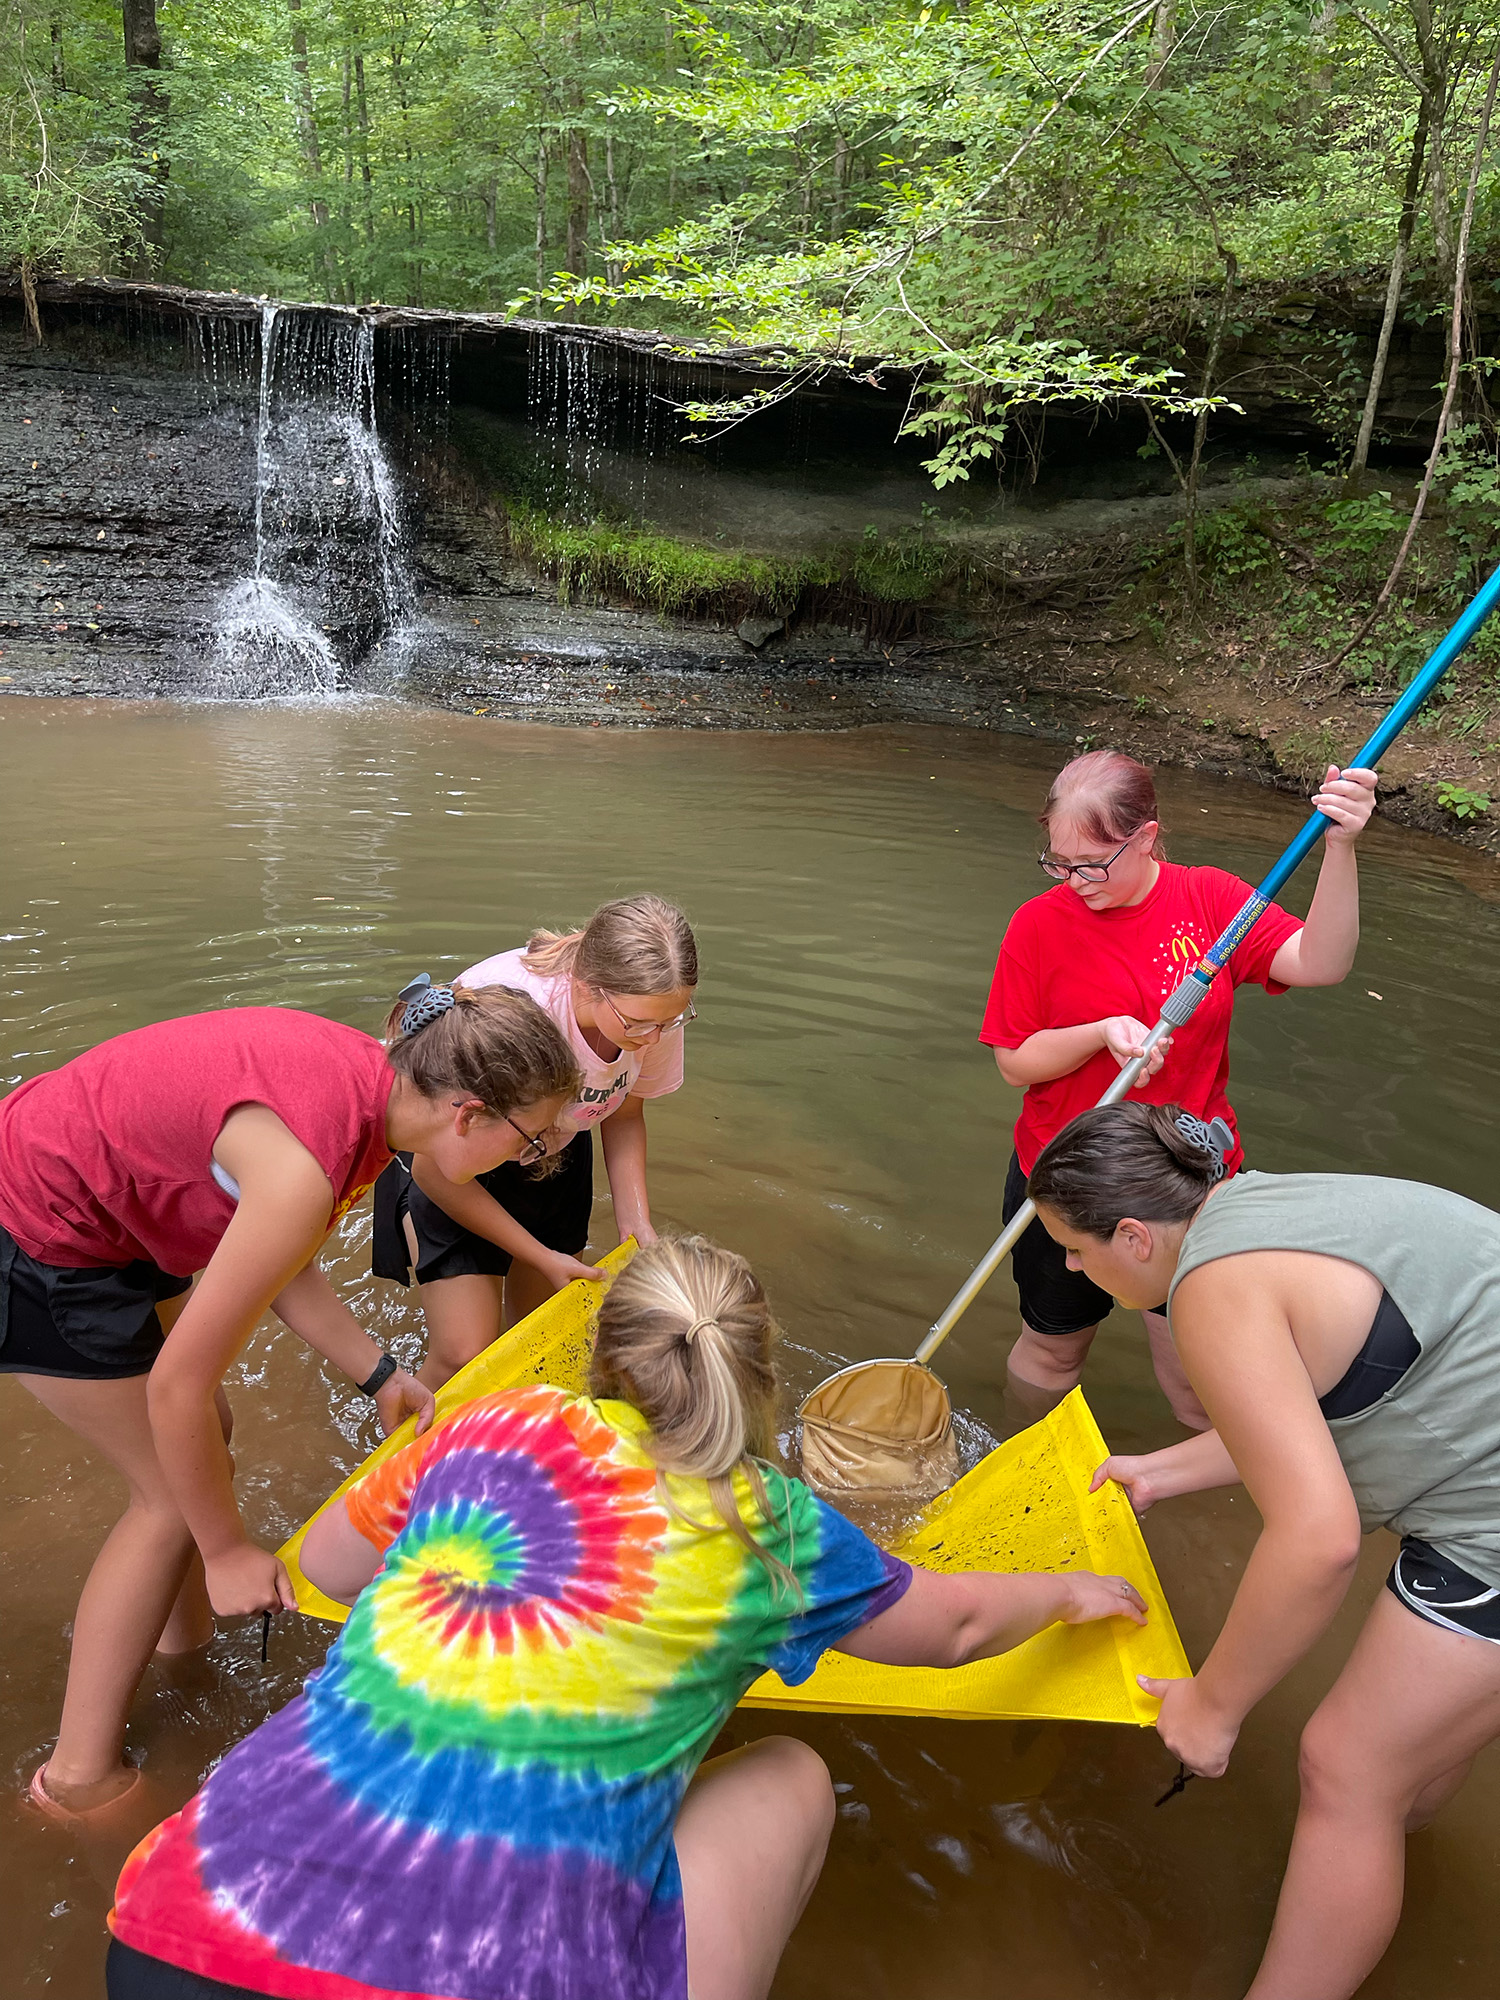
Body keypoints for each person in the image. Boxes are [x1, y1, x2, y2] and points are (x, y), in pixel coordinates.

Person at [106, 1233, 1147, 2000]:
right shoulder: (768, 1523)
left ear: (605, 1357)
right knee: (787, 1773)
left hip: (177, 1932)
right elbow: (957, 1628)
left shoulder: (492, 1421)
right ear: (755, 1376)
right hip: (476, 1979)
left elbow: (331, 1564)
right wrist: (1067, 1587)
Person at [2, 984, 580, 1822]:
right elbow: (177, 1387)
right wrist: (230, 1548)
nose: (528, 1161)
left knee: (211, 1436)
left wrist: (382, 1376)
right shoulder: (311, 1165)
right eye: (529, 1142)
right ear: (468, 1113)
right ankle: (76, 1783)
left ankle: (181, 1648)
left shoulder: (373, 1091)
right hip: (37, 1226)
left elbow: (277, 1257)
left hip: (108, 1200)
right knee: (170, 1494)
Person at [1026, 1101, 1500, 2000]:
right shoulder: (1256, 1206)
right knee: (1397, 1773)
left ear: (1132, 1236)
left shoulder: (1210, 1291)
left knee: (1344, 1770)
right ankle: (1388, 1873)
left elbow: (1319, 1542)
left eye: (1075, 1249)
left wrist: (1213, 1705)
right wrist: (1163, 1471)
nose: (1067, 1267)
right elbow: (1325, 1402)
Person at [979, 748, 1376, 1426]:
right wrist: (1100, 1032)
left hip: (1186, 1182)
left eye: (1093, 864)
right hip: (1068, 1178)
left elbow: (1320, 961)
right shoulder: (1037, 925)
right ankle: (1017, 1475)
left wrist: (1340, 849)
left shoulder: (1209, 900)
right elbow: (1016, 1062)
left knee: (1200, 1381)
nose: (1075, 881)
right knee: (1051, 1355)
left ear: (1147, 837)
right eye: (1058, 863)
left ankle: (1207, 1509)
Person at [374, 893, 699, 1389]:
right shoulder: (517, 1015)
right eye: (639, 1024)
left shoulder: (652, 1014)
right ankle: (411, 1458)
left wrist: (637, 1226)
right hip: (458, 1167)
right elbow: (434, 1165)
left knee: (537, 1347)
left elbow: (627, 1110)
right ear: (589, 987)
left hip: (556, 1159)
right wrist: (537, 1254)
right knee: (466, 1354)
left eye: (671, 1022)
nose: (655, 1039)